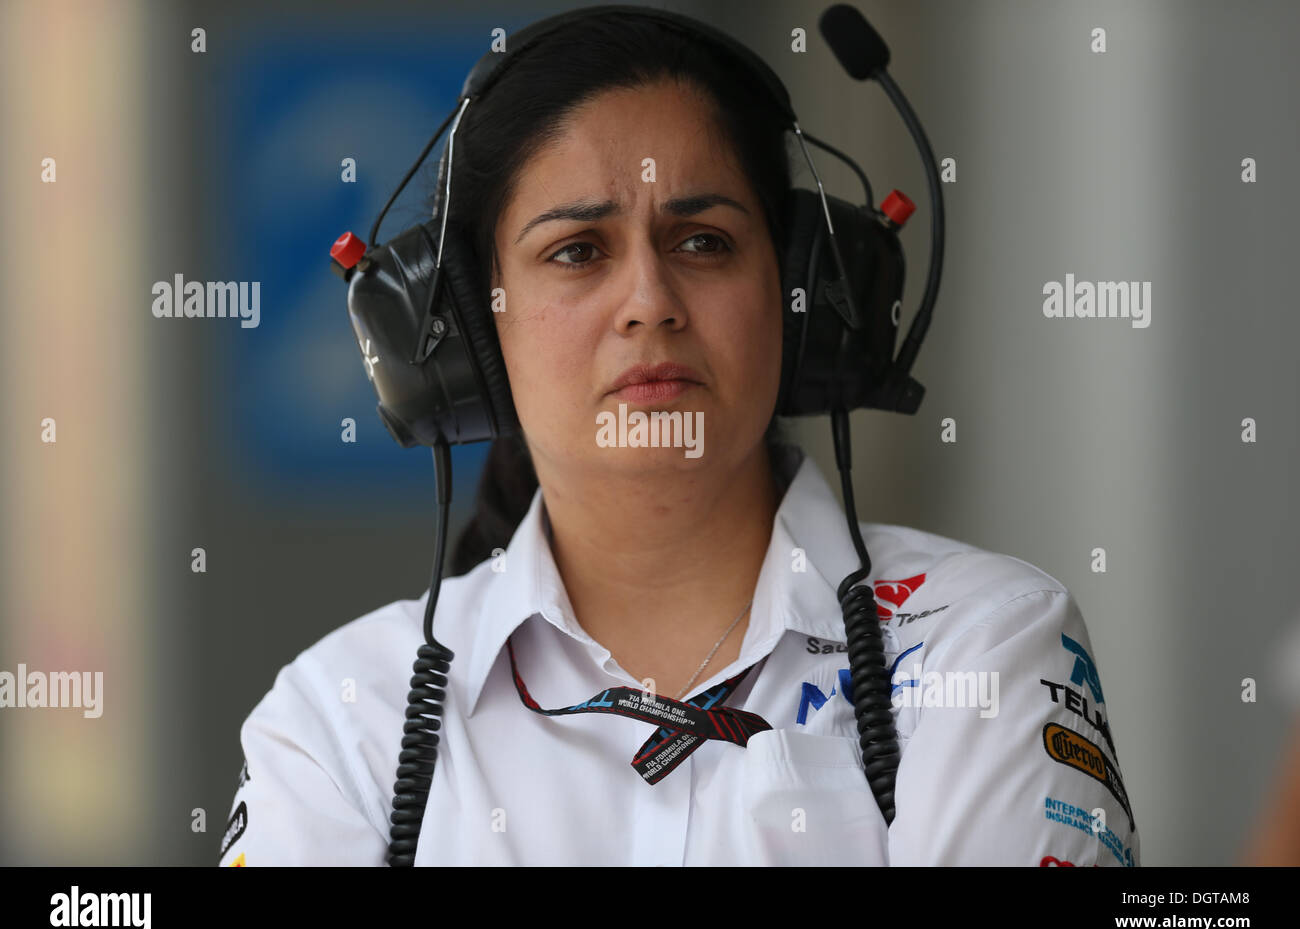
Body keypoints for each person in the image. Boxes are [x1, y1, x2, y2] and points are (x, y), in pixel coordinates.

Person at [218, 9, 1139, 867]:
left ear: (802, 295)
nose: (650, 302)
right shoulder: (341, 719)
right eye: (578, 251)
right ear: (465, 333)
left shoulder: (982, 642)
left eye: (702, 241)